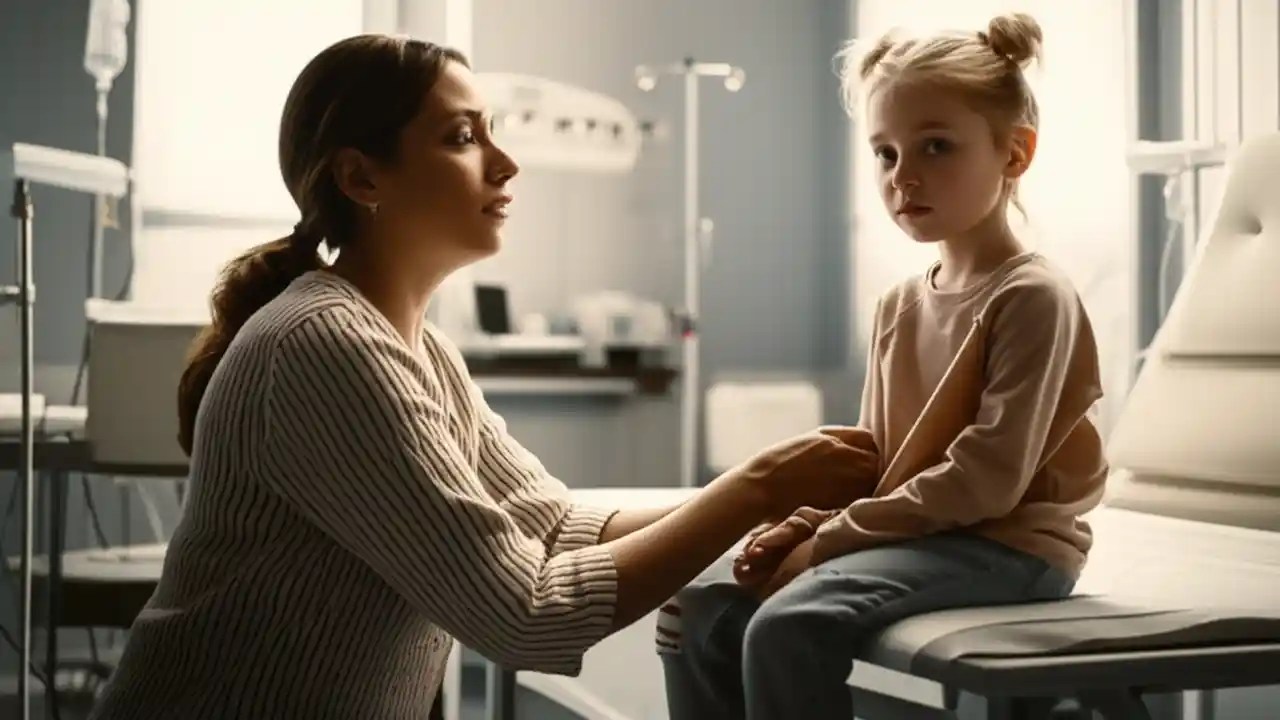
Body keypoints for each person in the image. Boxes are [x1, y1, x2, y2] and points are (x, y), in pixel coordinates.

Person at [86, 34, 882, 719]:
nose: (506, 164)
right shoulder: (324, 345)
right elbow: (525, 614)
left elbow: (553, 525)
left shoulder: (417, 349)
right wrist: (754, 491)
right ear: (361, 178)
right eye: (463, 137)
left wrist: (769, 494)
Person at [659, 13, 1110, 720]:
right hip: (921, 536)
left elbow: (986, 481)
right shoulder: (900, 303)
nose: (905, 176)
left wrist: (827, 543)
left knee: (788, 626)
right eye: (886, 153)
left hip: (1009, 547)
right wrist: (804, 523)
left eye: (936, 146)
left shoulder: (1031, 297)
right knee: (698, 613)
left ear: (1015, 153)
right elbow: (878, 464)